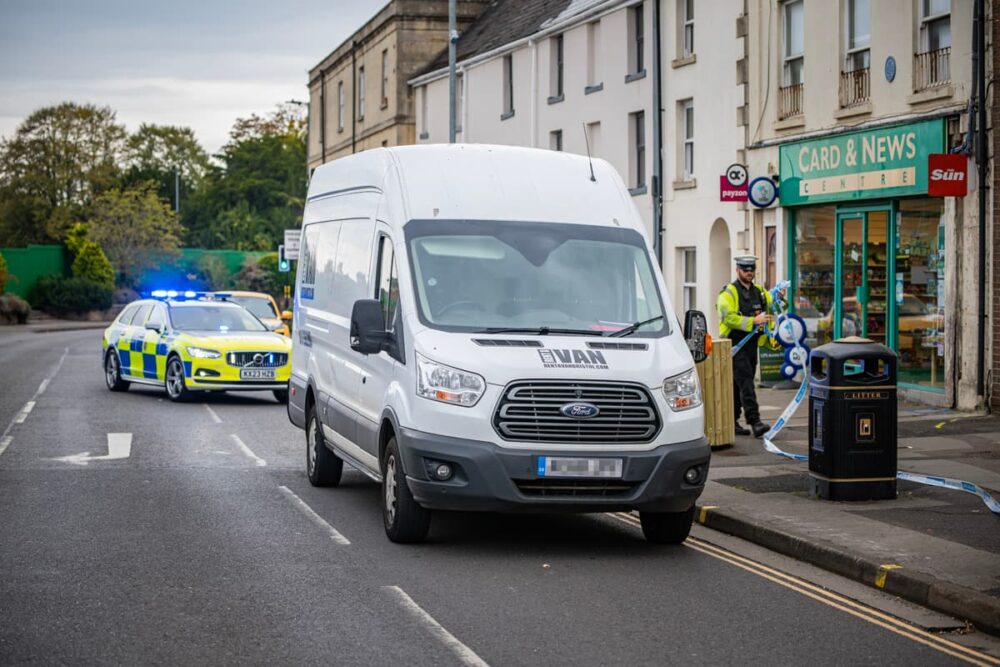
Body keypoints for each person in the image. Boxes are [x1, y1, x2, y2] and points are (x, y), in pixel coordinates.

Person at [717, 256, 781, 438]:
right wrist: (753, 320)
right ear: (737, 270)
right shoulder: (728, 293)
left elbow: (775, 305)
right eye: (745, 269)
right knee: (746, 382)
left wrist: (780, 298)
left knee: (739, 384)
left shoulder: (759, 291)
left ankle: (732, 422)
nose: (749, 272)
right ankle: (755, 422)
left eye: (751, 269)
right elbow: (727, 317)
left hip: (752, 344)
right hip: (734, 345)